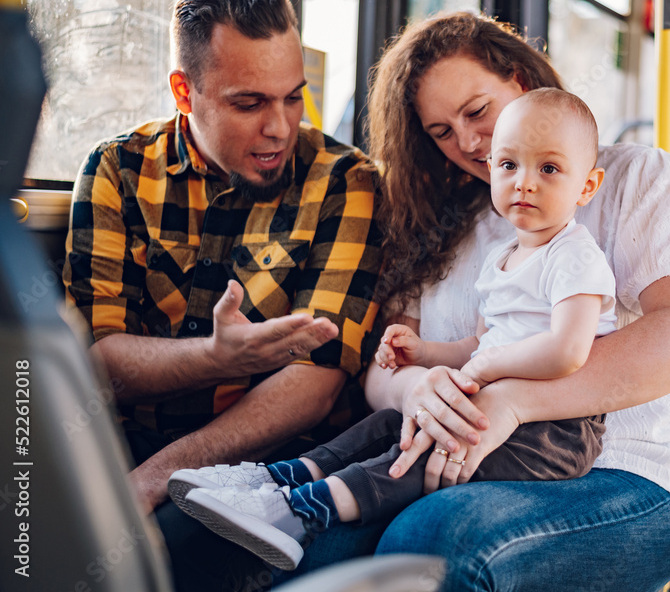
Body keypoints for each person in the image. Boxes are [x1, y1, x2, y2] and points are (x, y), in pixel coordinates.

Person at [161, 11, 670, 592]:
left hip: (623, 472)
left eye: (477, 112)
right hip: (456, 455)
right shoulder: (441, 227)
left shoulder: (637, 177)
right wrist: (418, 389)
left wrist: (513, 404)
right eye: (440, 132)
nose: (468, 143)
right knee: (285, 551)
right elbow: (385, 379)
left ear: (521, 80)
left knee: (431, 541)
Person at [166, 88, 619, 572]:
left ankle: (304, 512)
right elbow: (478, 345)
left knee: (429, 449)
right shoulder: (503, 258)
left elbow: (569, 352)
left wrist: (488, 366)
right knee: (392, 422)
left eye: (548, 169)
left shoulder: (575, 257)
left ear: (587, 186)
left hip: (553, 432)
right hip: (491, 407)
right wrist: (423, 352)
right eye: (509, 165)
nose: (525, 183)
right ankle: (280, 480)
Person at [62, 0, 381, 516]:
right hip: (125, 446)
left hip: (267, 470)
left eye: (292, 98)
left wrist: (152, 483)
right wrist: (215, 358)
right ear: (185, 92)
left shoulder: (343, 180)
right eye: (250, 103)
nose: (280, 127)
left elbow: (318, 383)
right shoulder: (119, 168)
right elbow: (99, 362)